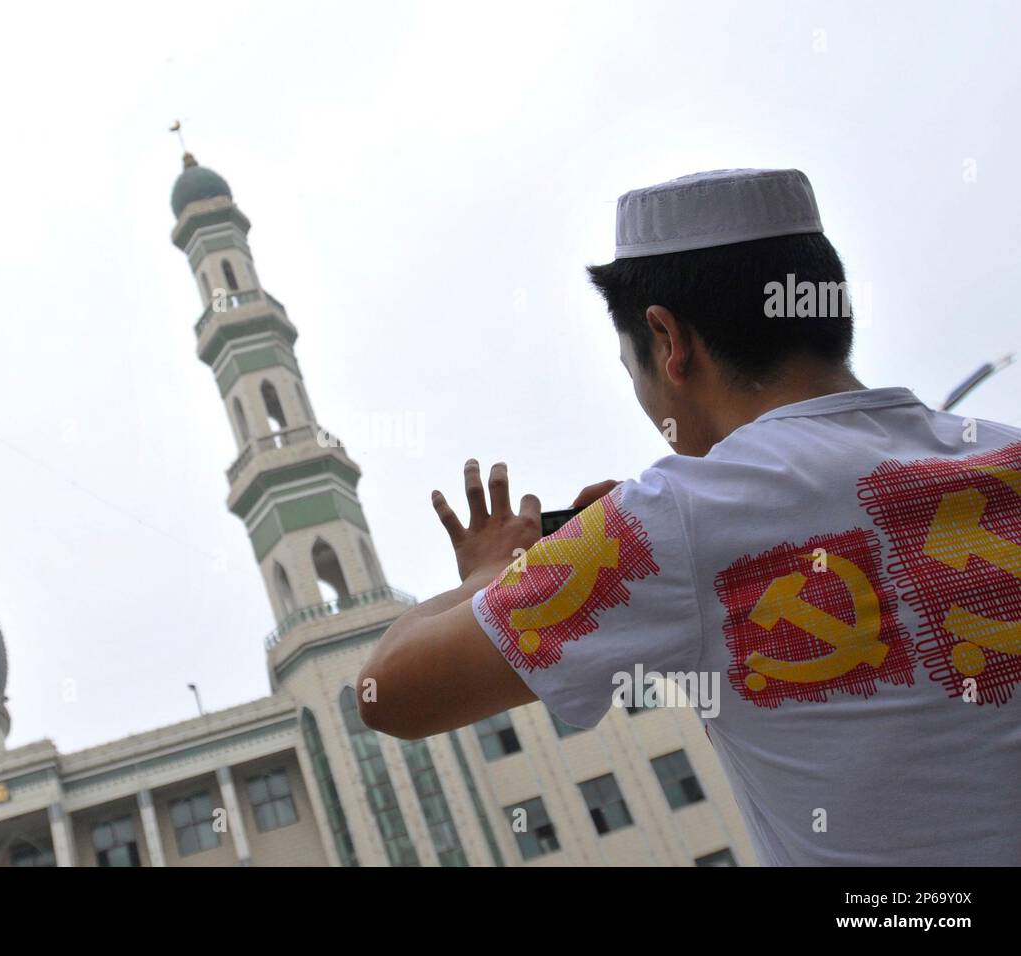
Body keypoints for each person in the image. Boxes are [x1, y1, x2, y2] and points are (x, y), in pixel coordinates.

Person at [359, 168, 1021, 866]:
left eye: (629, 368)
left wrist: (491, 575)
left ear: (668, 340)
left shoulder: (669, 518)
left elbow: (390, 690)